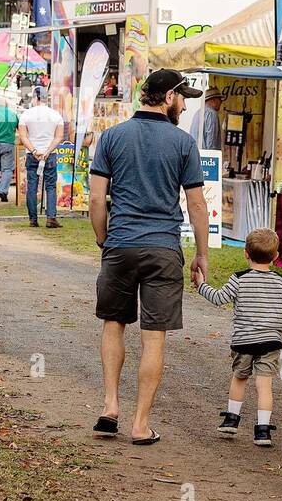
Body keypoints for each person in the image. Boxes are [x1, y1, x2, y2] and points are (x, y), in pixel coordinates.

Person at [89, 69, 207, 446]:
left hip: (120, 245)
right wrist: (201, 253)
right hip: (163, 248)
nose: (185, 105)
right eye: (183, 97)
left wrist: (103, 238)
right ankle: (140, 424)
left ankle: (110, 407)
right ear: (169, 96)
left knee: (113, 323)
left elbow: (95, 198)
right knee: (153, 336)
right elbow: (196, 203)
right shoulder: (182, 142)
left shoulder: (111, 137)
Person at [197, 228, 282, 447]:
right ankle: (263, 430)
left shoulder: (239, 279)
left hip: (244, 341)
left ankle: (231, 420)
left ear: (245, 253)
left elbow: (218, 298)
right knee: (264, 385)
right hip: (271, 342)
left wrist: (201, 285)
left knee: (240, 377)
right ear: (276, 257)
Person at [18, 86, 65, 228]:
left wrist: (33, 151)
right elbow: (59, 136)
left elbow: (23, 136)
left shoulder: (26, 114)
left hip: (32, 155)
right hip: (49, 155)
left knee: (32, 185)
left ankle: (33, 218)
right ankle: (51, 217)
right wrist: (48, 151)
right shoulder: (56, 115)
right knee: (50, 186)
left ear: (35, 98)